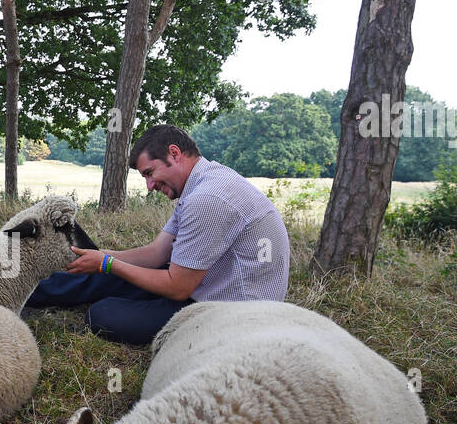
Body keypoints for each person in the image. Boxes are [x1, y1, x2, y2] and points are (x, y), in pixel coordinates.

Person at [25, 123, 290, 344]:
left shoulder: (208, 199)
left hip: (230, 315)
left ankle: (71, 294)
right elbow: (156, 254)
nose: (150, 186)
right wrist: (101, 257)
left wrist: (108, 264)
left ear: (174, 153)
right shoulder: (201, 184)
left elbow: (177, 287)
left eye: (150, 173)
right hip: (207, 283)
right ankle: (25, 289)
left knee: (102, 314)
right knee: (108, 272)